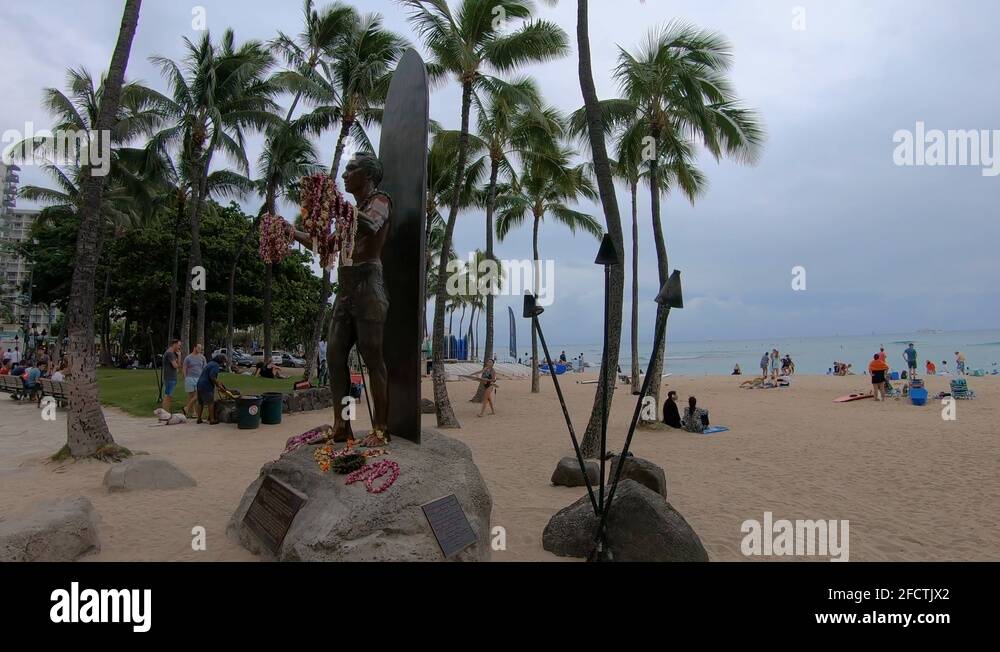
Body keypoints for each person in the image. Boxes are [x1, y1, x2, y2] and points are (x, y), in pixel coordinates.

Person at [290, 153, 391, 447]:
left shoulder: (380, 201)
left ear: (368, 175)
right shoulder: (351, 212)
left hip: (369, 286)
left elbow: (373, 225)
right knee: (335, 357)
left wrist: (341, 206)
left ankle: (381, 428)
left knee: (373, 360)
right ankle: (342, 425)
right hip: (345, 290)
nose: (345, 175)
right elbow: (323, 245)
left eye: (351, 169)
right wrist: (290, 231)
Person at [196, 355, 228, 425]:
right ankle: (212, 420)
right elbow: (212, 376)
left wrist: (219, 383)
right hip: (206, 385)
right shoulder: (216, 365)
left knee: (200, 402)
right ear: (221, 360)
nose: (224, 363)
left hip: (199, 383)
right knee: (211, 402)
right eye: (224, 361)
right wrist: (218, 385)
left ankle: (199, 419)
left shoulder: (210, 363)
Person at [182, 344, 207, 417]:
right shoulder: (188, 357)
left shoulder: (202, 358)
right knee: (191, 395)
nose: (200, 349)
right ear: (194, 348)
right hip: (190, 378)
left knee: (198, 395)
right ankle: (193, 412)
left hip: (199, 378)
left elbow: (204, 368)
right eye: (198, 348)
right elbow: (184, 367)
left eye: (201, 348)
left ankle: (186, 408)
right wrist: (185, 377)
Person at [162, 339, 181, 412]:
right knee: (167, 396)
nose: (179, 347)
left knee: (169, 396)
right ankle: (165, 412)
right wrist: (179, 356)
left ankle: (167, 412)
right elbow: (176, 366)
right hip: (169, 377)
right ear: (174, 344)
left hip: (172, 377)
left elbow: (178, 365)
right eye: (179, 345)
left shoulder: (173, 353)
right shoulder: (169, 353)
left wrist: (179, 355)